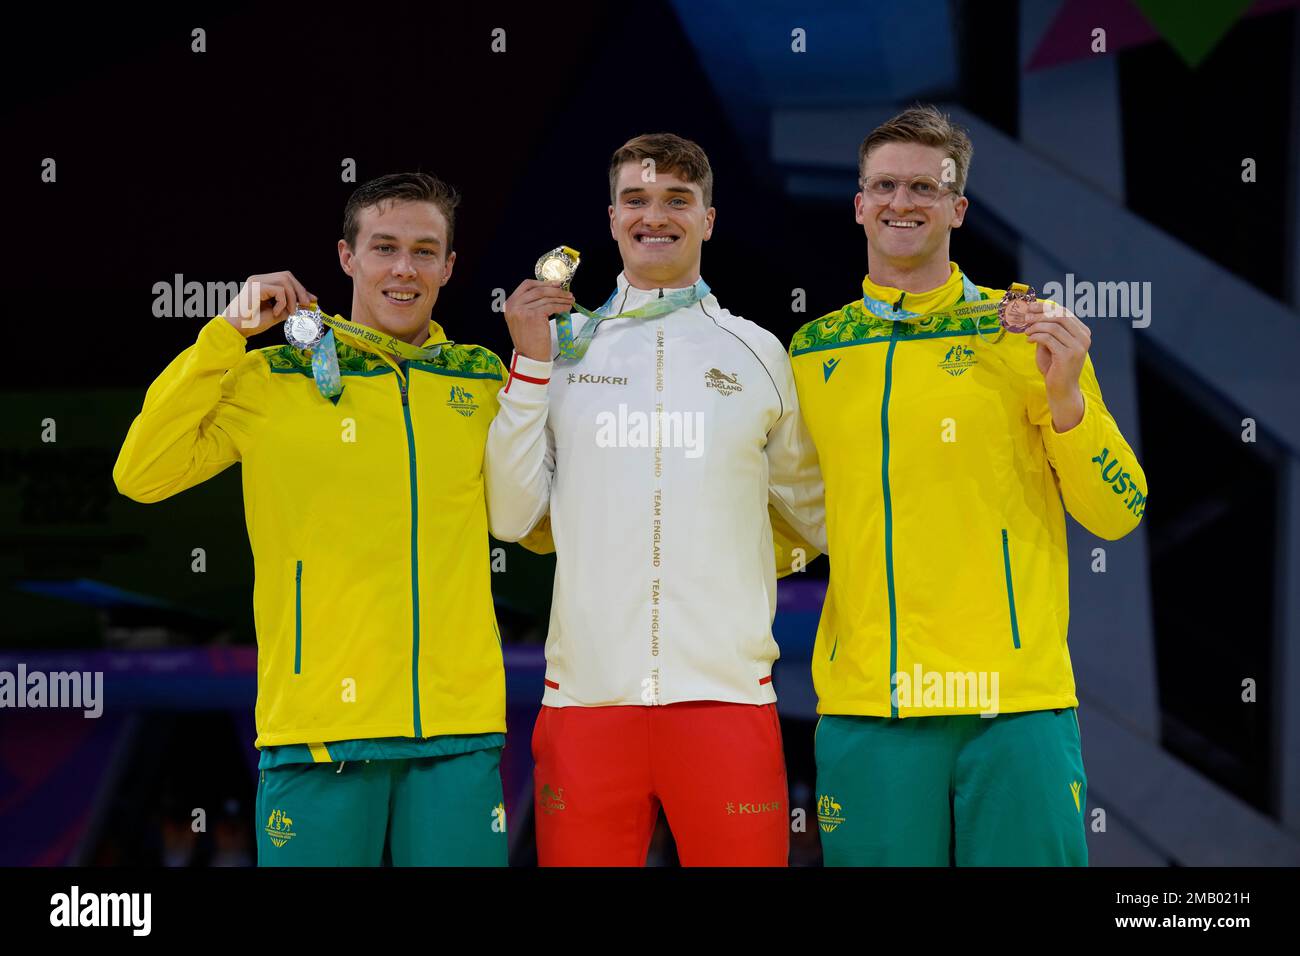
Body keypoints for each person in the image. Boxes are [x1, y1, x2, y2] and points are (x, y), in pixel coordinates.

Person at [113, 172, 510, 866]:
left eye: (424, 250)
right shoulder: (273, 379)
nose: (403, 268)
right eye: (384, 247)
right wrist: (225, 333)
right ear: (346, 257)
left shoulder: (480, 383)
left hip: (456, 727)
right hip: (319, 726)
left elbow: (532, 523)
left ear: (449, 267)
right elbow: (141, 474)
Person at [789, 105, 1148, 866]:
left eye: (925, 186)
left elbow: (1120, 511)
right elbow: (788, 522)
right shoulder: (813, 352)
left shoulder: (1026, 335)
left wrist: (1068, 402)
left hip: (1013, 704)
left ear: (958, 207)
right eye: (884, 185)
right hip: (868, 707)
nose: (901, 202)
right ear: (858, 204)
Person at [485, 133, 825, 866]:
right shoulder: (561, 348)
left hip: (728, 703)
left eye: (678, 199)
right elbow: (512, 518)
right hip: (586, 707)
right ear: (611, 218)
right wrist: (528, 365)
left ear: (708, 218)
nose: (655, 216)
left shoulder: (759, 351)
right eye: (636, 200)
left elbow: (812, 516)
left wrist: (733, 574)